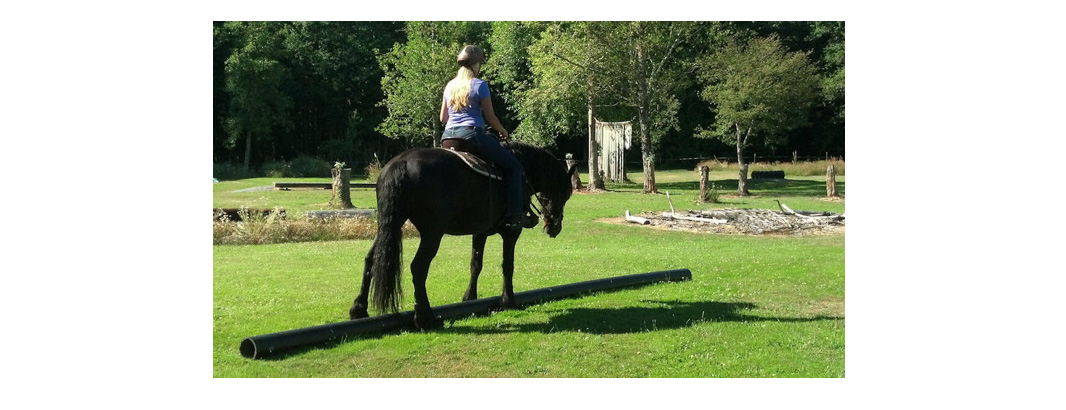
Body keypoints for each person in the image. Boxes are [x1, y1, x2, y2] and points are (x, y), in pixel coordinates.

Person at [440, 45, 534, 229]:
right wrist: (503, 130)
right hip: (472, 135)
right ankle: (515, 215)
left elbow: (443, 118)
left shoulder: (449, 86)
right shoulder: (480, 85)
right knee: (514, 167)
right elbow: (490, 118)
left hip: (448, 138)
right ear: (476, 65)